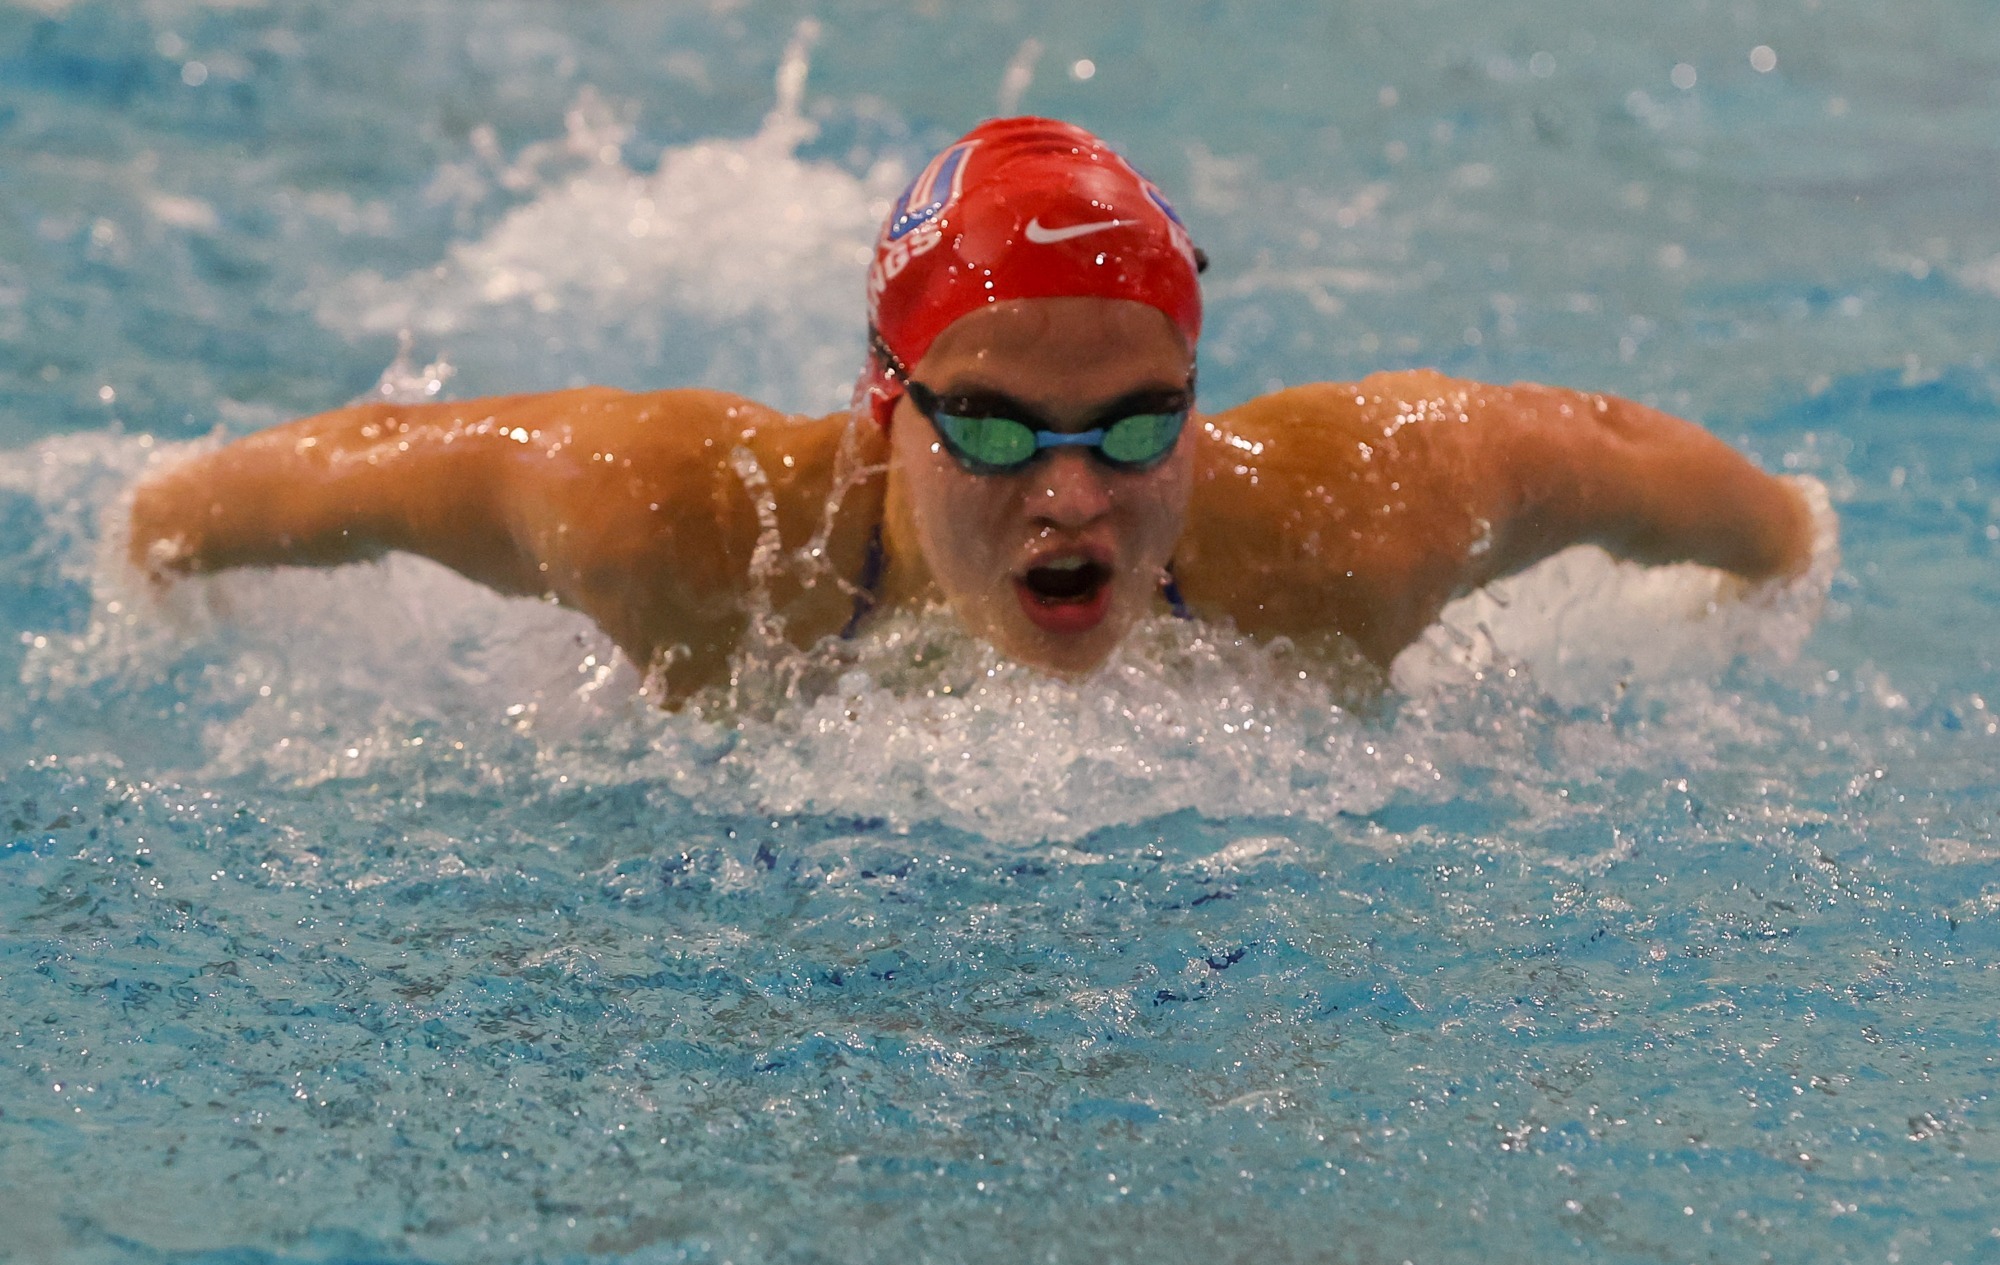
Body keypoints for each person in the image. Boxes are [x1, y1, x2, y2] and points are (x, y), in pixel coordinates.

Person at [127, 116, 1818, 704]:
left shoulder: (1340, 522)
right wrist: (144, 550)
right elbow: (310, 481)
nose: (1074, 497)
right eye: (1000, 428)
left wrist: (1793, 556)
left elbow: (1613, 460)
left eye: (1136, 426)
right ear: (885, 410)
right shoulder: (678, 525)